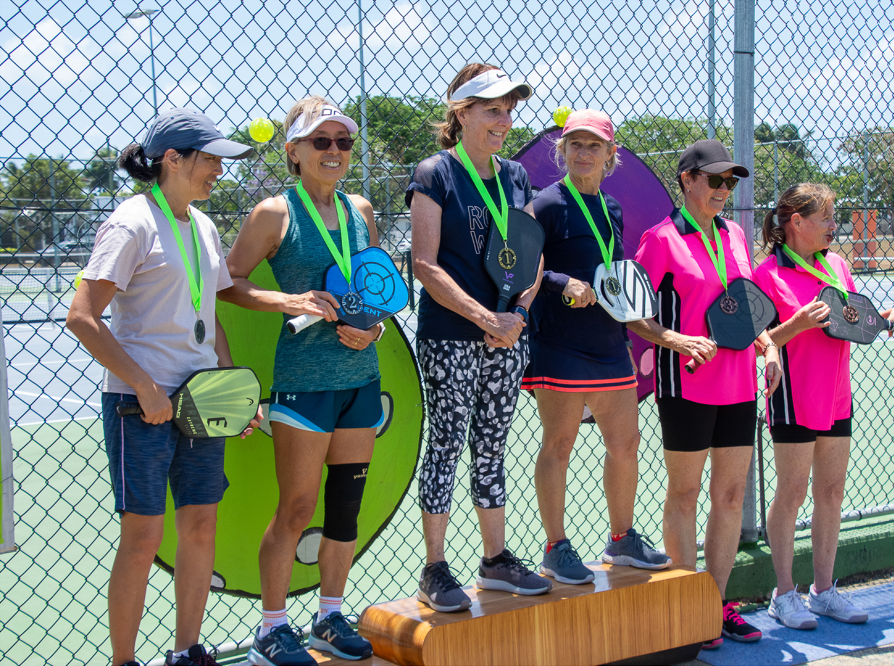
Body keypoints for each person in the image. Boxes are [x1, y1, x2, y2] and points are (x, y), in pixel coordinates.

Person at [66, 108, 255, 666]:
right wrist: (144, 387)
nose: (220, 168)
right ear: (172, 160)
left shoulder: (203, 224)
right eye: (211, 158)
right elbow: (82, 316)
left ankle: (187, 651)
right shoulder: (132, 222)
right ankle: (124, 661)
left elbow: (210, 311)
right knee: (144, 539)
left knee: (199, 526)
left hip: (200, 401)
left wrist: (231, 390)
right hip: (138, 404)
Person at [220, 97, 381, 664]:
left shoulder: (360, 209)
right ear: (294, 151)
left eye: (343, 142)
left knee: (345, 506)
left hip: (362, 377)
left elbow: (371, 287)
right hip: (304, 381)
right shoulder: (273, 212)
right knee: (296, 507)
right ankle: (270, 628)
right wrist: (286, 298)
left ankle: (330, 618)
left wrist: (376, 329)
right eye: (321, 141)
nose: (334, 151)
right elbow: (228, 283)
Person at [406, 62, 550, 612]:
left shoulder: (514, 176)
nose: (504, 119)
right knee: (445, 444)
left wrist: (514, 315)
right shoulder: (435, 172)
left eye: (510, 109)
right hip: (452, 336)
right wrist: (486, 319)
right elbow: (425, 264)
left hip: (509, 335)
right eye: (492, 109)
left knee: (491, 446)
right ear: (461, 113)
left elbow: (531, 251)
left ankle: (494, 562)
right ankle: (435, 569)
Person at [628, 139, 782, 650]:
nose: (723, 190)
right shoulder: (660, 240)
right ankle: (683, 606)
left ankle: (714, 604)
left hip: (739, 384)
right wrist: (675, 339)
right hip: (685, 384)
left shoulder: (736, 235)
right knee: (686, 494)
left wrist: (767, 344)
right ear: (687, 180)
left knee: (732, 495)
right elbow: (635, 315)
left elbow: (742, 304)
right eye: (714, 180)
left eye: (729, 183)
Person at [755, 183, 894, 630]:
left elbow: (854, 321)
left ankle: (823, 592)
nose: (833, 225)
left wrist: (891, 318)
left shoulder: (838, 266)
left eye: (832, 216)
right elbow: (759, 342)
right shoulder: (767, 275)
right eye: (824, 217)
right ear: (796, 223)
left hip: (836, 396)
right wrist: (796, 323)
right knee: (791, 495)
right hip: (792, 397)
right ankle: (783, 594)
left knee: (831, 493)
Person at [523, 109, 670, 584]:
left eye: (594, 146)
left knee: (626, 442)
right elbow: (521, 270)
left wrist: (643, 321)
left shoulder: (612, 208)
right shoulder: (545, 205)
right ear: (562, 151)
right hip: (560, 344)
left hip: (610, 341)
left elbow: (615, 269)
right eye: (576, 145)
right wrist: (563, 281)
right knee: (559, 445)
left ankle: (622, 539)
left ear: (611, 155)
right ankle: (555, 548)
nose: (584, 154)